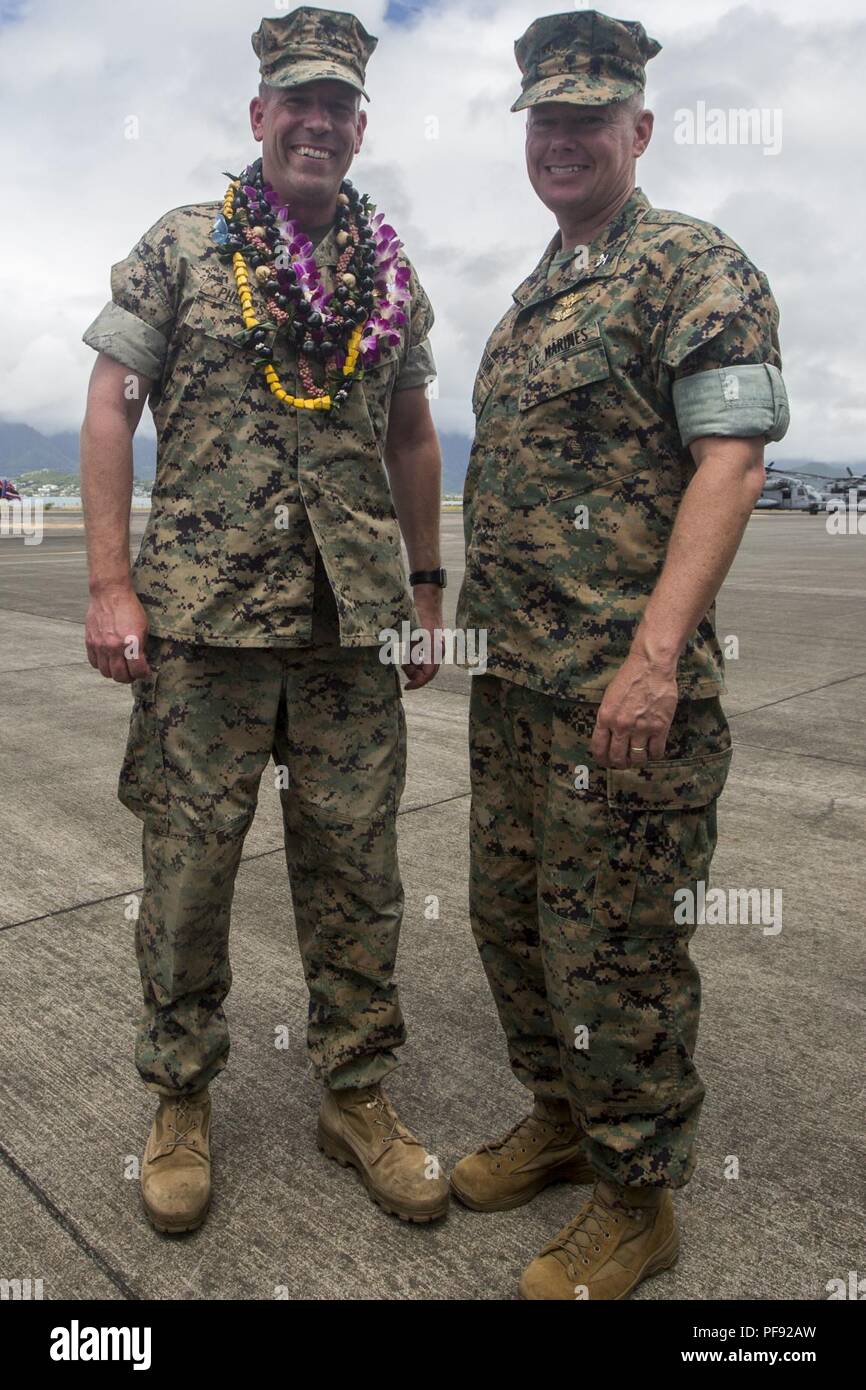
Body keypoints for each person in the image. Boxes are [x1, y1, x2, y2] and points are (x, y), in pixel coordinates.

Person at [80, 5, 449, 1234]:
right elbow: (110, 405)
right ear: (258, 114)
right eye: (297, 100)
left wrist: (427, 587)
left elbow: (408, 433)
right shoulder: (182, 247)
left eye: (338, 104)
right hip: (204, 628)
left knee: (358, 871)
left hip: (350, 629)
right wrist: (109, 582)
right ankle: (180, 1098)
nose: (317, 120)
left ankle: (354, 1092)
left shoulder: (390, 275)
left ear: (358, 124)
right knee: (186, 874)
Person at [451, 9, 789, 1299]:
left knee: (620, 947)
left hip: (624, 697)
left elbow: (733, 458)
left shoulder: (692, 267)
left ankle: (637, 1197)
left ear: (637, 129)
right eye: (547, 118)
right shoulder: (532, 298)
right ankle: (561, 1120)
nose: (565, 138)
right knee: (515, 927)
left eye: (589, 117)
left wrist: (652, 657)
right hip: (519, 692)